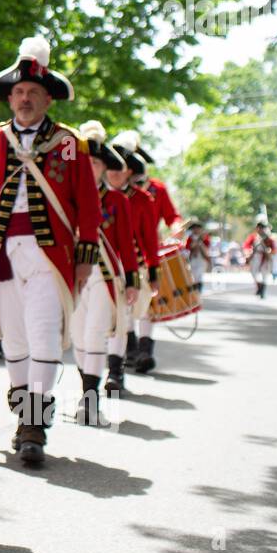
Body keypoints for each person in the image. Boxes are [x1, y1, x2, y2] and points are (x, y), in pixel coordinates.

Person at [0, 36, 102, 466]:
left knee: (44, 335)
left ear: (48, 99)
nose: (25, 99)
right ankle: (23, 404)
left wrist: (85, 261)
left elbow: (89, 205)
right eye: (19, 92)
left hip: (51, 255)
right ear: (9, 98)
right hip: (2, 254)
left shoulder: (70, 143)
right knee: (13, 338)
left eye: (33, 93)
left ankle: (34, 425)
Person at [70, 122, 137, 424]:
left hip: (104, 274)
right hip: (70, 273)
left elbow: (125, 244)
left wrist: (133, 280)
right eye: (86, 161)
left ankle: (90, 401)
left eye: (95, 163)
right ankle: (85, 394)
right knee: (78, 336)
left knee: (95, 334)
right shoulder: (66, 197)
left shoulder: (117, 201)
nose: (90, 167)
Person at [110, 130, 163, 372]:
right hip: (106, 265)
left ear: (130, 171)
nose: (114, 173)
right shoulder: (98, 197)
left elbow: (150, 238)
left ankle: (135, 354)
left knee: (134, 311)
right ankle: (124, 359)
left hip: (135, 265)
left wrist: (153, 270)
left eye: (120, 168)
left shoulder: (142, 199)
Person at [243, 219, 277, 298]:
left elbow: (273, 249)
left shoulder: (268, 238)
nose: (260, 229)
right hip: (255, 256)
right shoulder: (253, 237)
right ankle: (259, 286)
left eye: (261, 228)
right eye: (259, 227)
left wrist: (270, 251)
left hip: (265, 257)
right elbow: (246, 246)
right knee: (253, 272)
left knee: (265, 274)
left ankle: (262, 291)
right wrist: (248, 252)